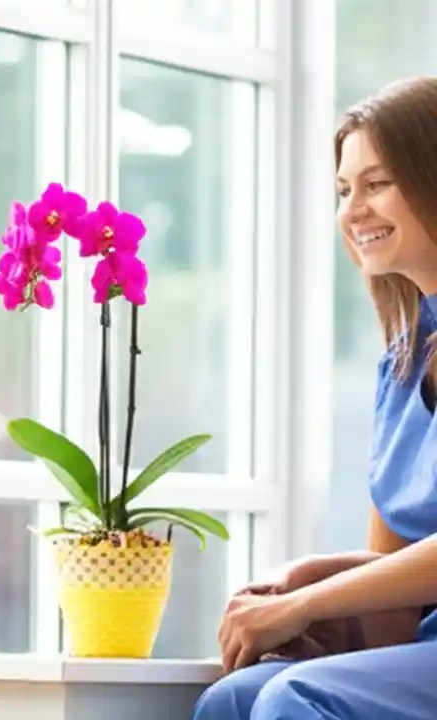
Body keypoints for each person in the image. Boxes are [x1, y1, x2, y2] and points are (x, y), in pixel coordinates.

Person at [194, 76, 437, 719]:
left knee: (297, 697)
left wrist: (303, 606)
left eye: (376, 183)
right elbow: (397, 573)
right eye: (342, 189)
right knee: (231, 701)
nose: (353, 210)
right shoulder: (405, 361)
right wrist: (315, 579)